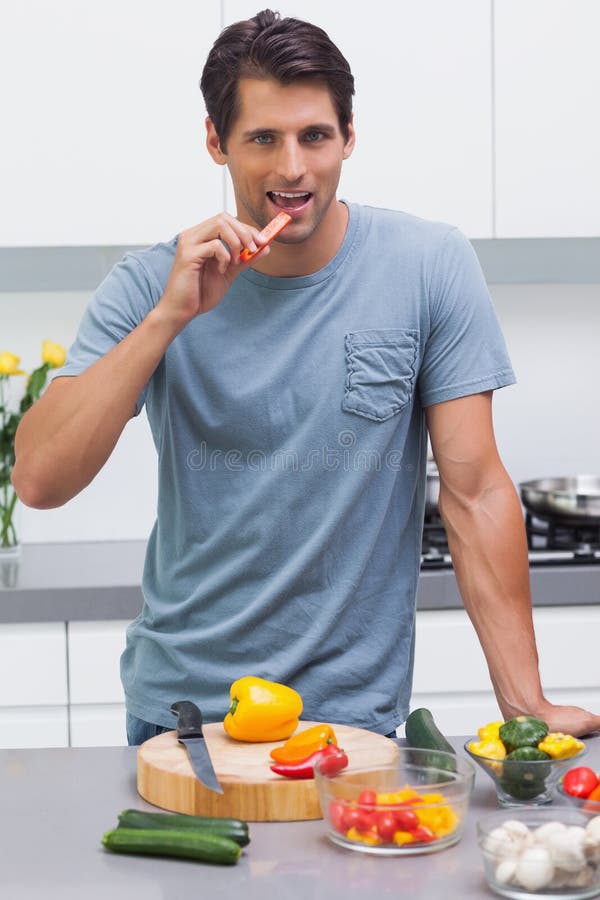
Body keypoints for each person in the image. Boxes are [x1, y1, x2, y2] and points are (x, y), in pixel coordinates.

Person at [12, 9, 600, 745]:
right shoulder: (148, 285)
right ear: (216, 142)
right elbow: (40, 479)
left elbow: (475, 491)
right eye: (263, 138)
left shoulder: (428, 266)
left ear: (349, 137)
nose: (292, 167)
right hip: (184, 715)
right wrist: (169, 318)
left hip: (352, 720)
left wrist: (526, 702)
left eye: (314, 136)